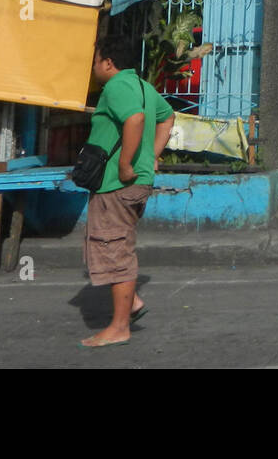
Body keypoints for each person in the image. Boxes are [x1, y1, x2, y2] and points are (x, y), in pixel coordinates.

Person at [80, 36, 175, 348]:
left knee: (116, 248)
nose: (93, 68)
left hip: (117, 184)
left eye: (95, 61)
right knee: (110, 243)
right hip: (134, 182)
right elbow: (167, 116)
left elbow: (135, 119)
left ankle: (120, 326)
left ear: (108, 63)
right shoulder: (144, 88)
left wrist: (125, 164)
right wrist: (152, 156)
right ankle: (131, 303)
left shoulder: (117, 86)